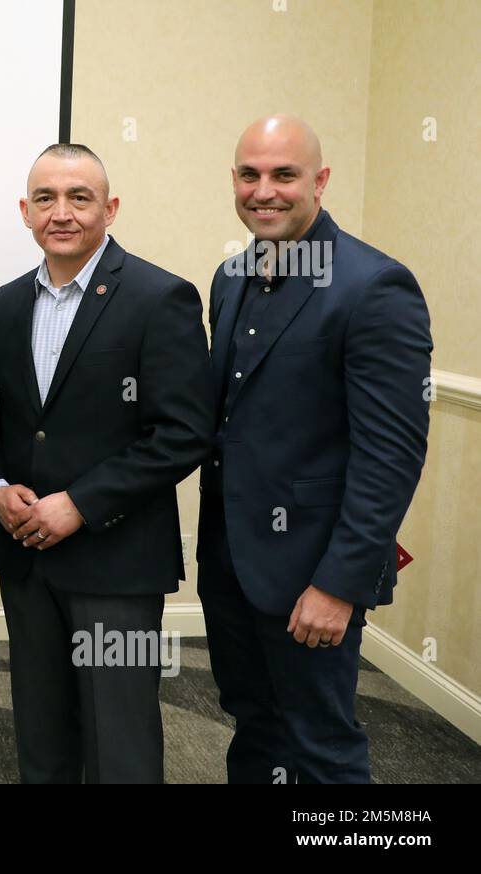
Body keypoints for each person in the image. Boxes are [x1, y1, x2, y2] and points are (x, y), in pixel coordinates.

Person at [197, 115, 431, 784]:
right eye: (250, 174)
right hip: (232, 565)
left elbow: (390, 457)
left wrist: (338, 585)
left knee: (321, 746)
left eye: (284, 175)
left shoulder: (374, 287)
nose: (264, 190)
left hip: (312, 574)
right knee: (253, 725)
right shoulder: (231, 276)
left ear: (320, 181)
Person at [0, 143, 213, 783]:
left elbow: (184, 433)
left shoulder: (161, 298)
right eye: (46, 198)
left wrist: (80, 504)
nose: (62, 212)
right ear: (25, 211)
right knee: (41, 742)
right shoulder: (9, 303)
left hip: (116, 566)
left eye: (80, 197)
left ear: (110, 208)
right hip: (26, 562)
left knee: (119, 749)